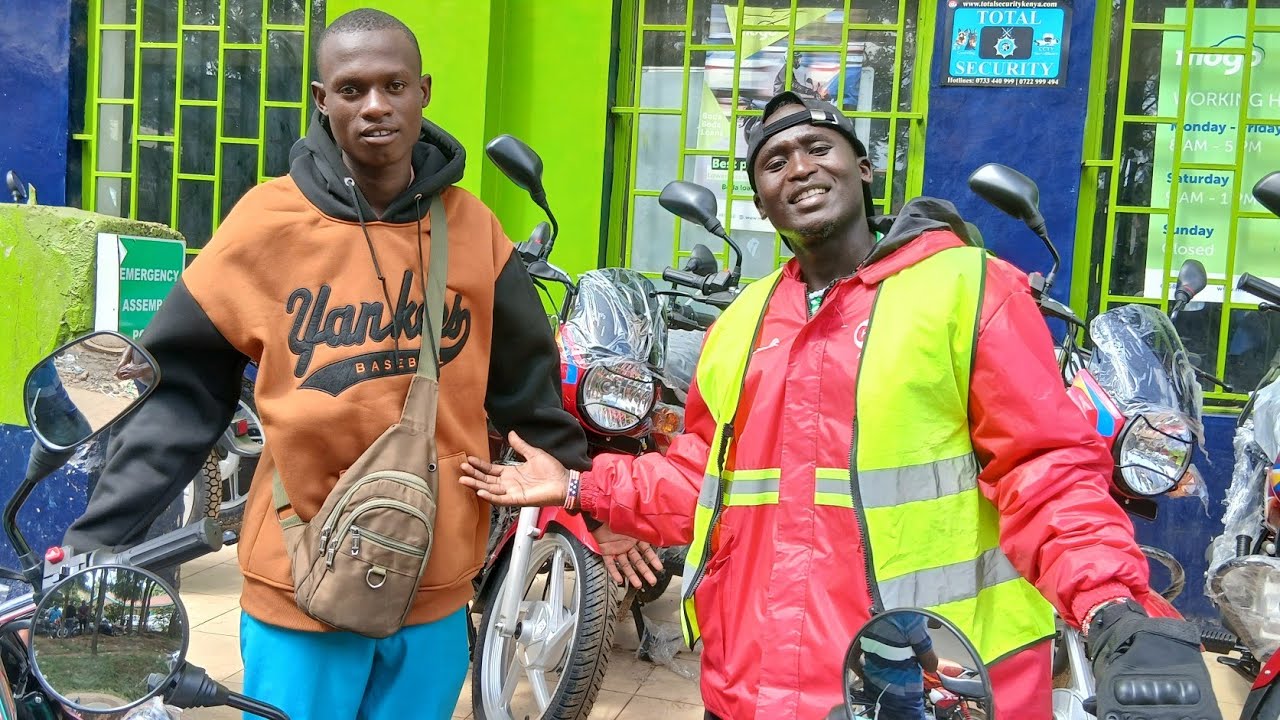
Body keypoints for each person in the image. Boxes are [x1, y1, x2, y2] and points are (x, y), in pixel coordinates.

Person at [461, 91, 1221, 719]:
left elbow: (1046, 472)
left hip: (933, 688)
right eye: (772, 161)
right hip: (753, 689)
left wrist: (1114, 610)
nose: (798, 168)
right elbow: (700, 486)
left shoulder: (967, 290)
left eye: (817, 148)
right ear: (760, 198)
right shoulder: (743, 324)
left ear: (862, 166)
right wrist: (576, 485)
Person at [62, 9, 588, 719]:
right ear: (321, 99)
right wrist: (102, 538)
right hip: (299, 585)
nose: (375, 106)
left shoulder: (473, 230)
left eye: (394, 84)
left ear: (423, 91)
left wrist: (581, 505)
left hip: (433, 590)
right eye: (352, 89)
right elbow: (176, 395)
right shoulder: (264, 226)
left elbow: (529, 393)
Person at [853, 613, 937, 720]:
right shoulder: (911, 618)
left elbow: (851, 657)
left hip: (873, 695)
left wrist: (868, 679)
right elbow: (931, 666)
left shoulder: (865, 613)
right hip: (904, 705)